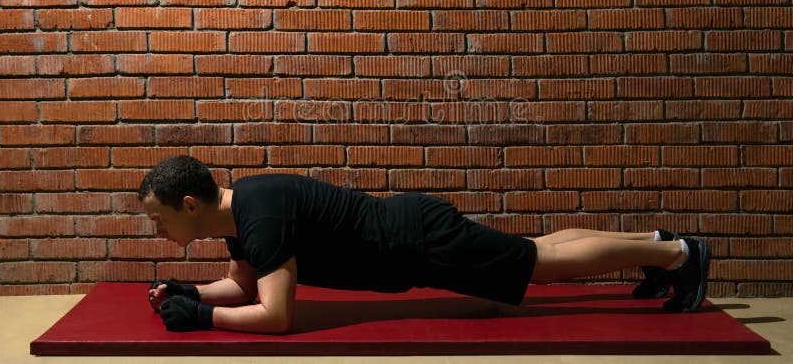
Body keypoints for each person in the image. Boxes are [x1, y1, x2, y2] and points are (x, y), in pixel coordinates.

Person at [139, 155, 710, 333]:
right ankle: (657, 246)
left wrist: (203, 319)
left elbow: (278, 313)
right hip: (414, 230)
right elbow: (245, 285)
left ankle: (681, 255)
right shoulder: (245, 213)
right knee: (536, 250)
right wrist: (194, 290)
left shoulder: (260, 221)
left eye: (161, 221)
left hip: (420, 243)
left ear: (190, 206)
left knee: (542, 265)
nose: (160, 233)